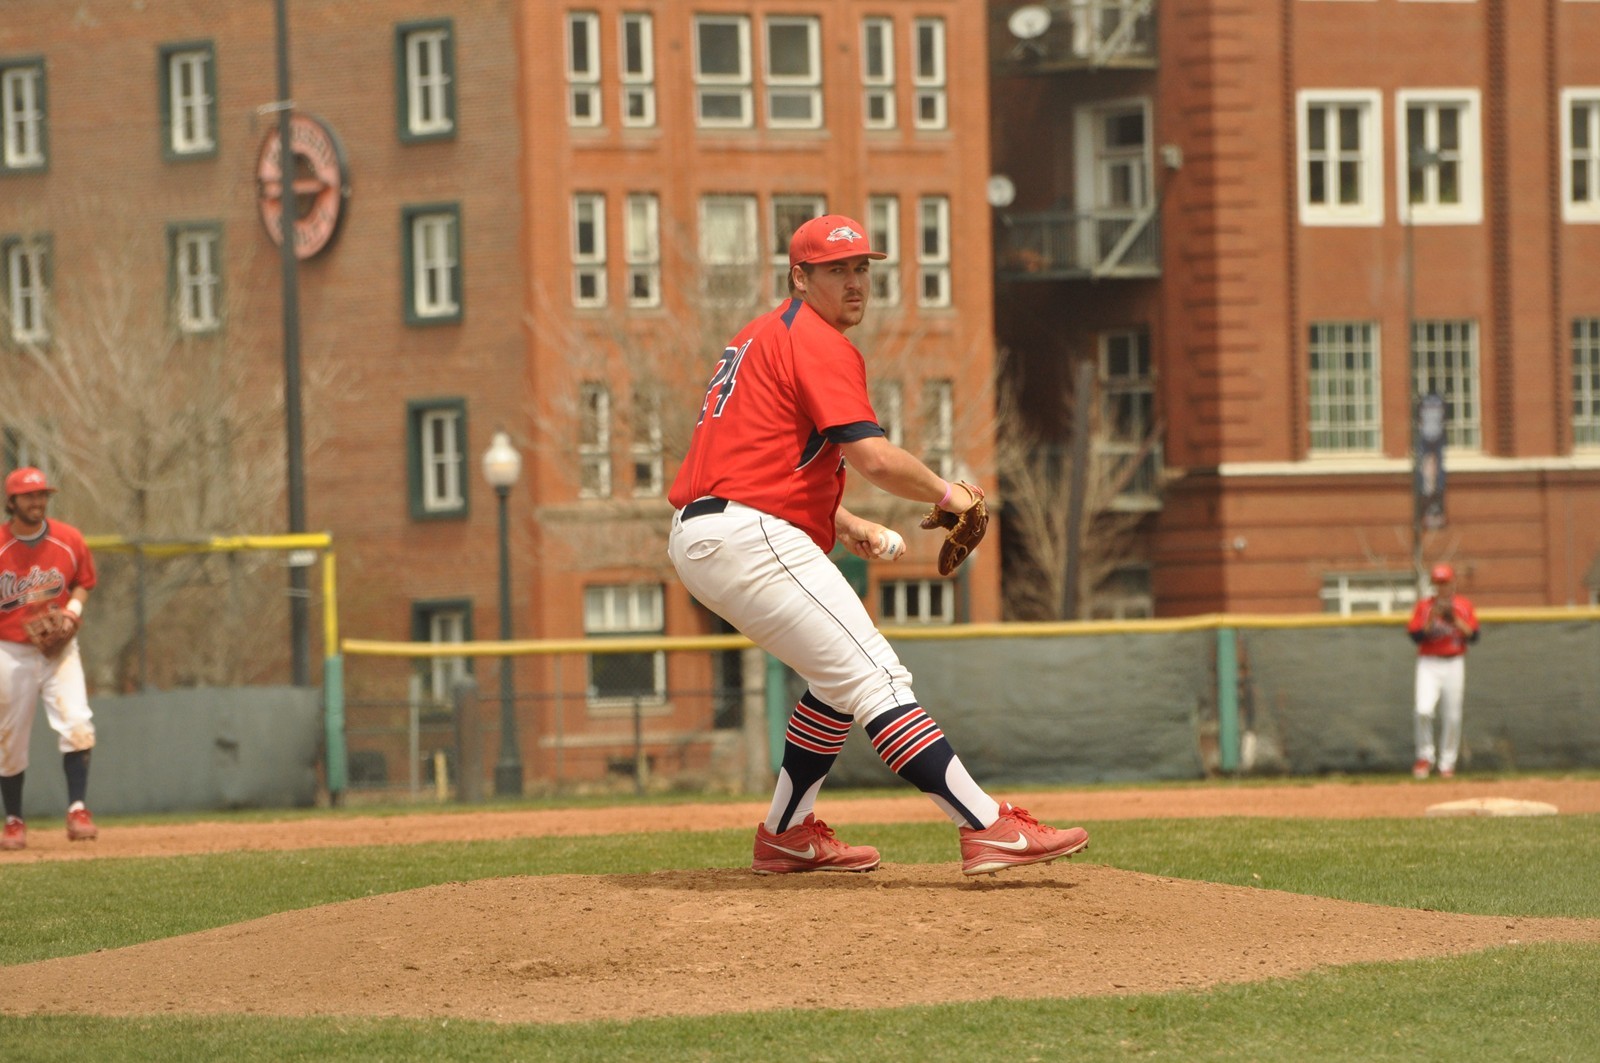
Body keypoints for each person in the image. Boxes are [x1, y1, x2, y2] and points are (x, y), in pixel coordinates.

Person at [666, 213, 1089, 876]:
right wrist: (950, 496)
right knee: (878, 677)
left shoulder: (758, 336)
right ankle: (987, 826)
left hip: (708, 532)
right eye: (836, 270)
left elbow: (752, 464)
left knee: (837, 682)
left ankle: (787, 832)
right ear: (799, 277)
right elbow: (874, 458)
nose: (855, 282)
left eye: (862, 267)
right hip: (747, 535)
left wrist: (844, 523)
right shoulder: (818, 341)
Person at [0, 467, 100, 850]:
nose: (37, 501)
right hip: (11, 650)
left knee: (77, 722)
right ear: (12, 502)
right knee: (10, 739)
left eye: (42, 495)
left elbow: (83, 582)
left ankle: (78, 809)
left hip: (60, 649)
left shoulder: (69, 538)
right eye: (29, 496)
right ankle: (13, 820)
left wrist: (73, 611)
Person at [1406, 562, 1479, 780]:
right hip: (1428, 663)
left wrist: (1454, 619)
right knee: (1423, 710)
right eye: (1438, 583)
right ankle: (1425, 757)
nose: (1441, 587)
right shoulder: (1424, 606)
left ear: (1452, 583)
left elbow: (1474, 636)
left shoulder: (1463, 605)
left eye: (1445, 583)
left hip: (1454, 662)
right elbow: (1416, 637)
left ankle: (1447, 763)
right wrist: (1431, 620)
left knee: (1452, 716)